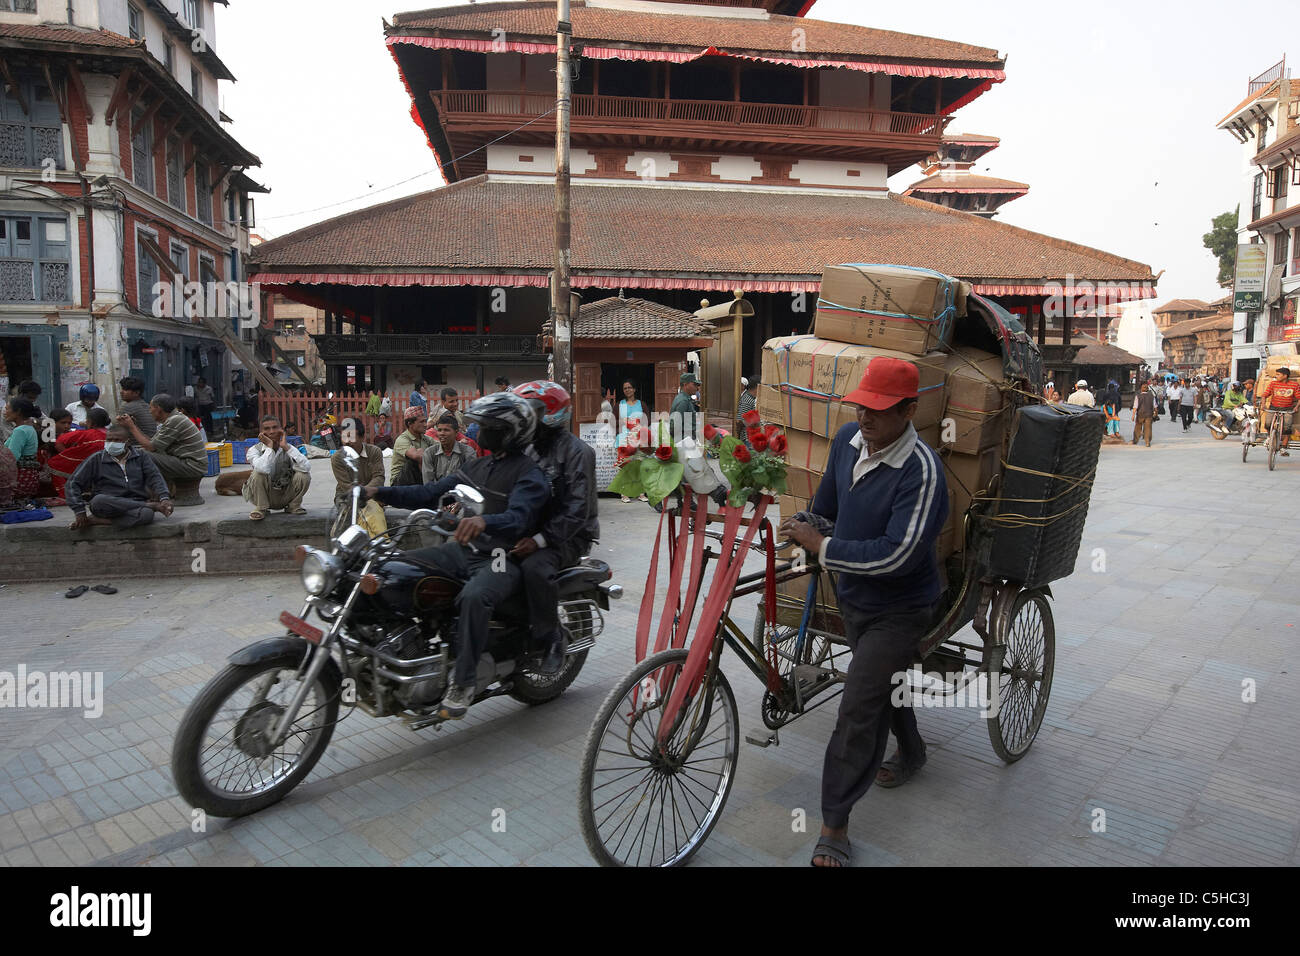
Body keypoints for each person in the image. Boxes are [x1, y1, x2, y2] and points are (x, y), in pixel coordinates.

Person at [779, 357, 947, 868]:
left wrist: (824, 547)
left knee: (857, 705)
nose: (866, 417)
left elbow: (899, 553)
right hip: (854, 596)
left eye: (879, 409)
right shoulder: (847, 442)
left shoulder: (922, 471)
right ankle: (913, 751)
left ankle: (834, 825)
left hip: (900, 607)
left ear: (909, 410)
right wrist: (802, 524)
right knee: (878, 687)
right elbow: (826, 507)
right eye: (861, 405)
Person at [362, 391, 549, 719]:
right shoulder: (480, 465)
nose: (480, 432)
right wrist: (380, 492)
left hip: (503, 556)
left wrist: (482, 520)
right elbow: (430, 491)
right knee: (399, 567)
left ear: (509, 432)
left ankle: (462, 682)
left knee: (474, 597)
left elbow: (519, 517)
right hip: (466, 550)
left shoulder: (529, 474)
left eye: (488, 427)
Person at [510, 380, 599, 676]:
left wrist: (539, 540)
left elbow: (577, 511)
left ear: (550, 415)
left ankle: (552, 640)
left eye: (529, 413)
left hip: (568, 536)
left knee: (534, 568)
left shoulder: (578, 452)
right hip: (533, 529)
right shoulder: (528, 449)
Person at [66, 424, 173, 529]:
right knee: (98, 500)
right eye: (109, 440)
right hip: (107, 505)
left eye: (117, 440)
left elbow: (155, 477)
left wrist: (164, 498)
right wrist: (79, 510)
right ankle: (149, 506)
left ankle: (96, 521)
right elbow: (72, 483)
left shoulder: (141, 456)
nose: (112, 443)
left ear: (128, 442)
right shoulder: (96, 458)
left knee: (146, 515)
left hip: (135, 504)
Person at [115, 394, 207, 486]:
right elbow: (151, 444)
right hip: (189, 463)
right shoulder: (172, 419)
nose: (149, 411)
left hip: (192, 465)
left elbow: (151, 447)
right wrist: (134, 426)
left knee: (142, 454)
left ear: (158, 409)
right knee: (140, 451)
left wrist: (131, 427)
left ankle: (146, 489)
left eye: (150, 408)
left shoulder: (175, 420)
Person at [244, 414, 312, 519]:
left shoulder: (289, 448)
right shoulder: (253, 450)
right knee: (258, 474)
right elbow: (262, 469)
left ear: (281, 430)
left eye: (275, 427)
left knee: (304, 475)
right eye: (267, 429)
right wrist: (270, 447)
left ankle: (293, 506)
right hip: (264, 496)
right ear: (261, 433)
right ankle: (261, 508)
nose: (271, 432)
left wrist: (286, 447)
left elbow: (306, 467)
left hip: (286, 494)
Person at [48, 407, 110, 497]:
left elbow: (59, 442)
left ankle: (64, 494)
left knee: (53, 463)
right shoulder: (111, 433)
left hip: (89, 463)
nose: (66, 426)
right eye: (63, 423)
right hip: (106, 464)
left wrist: (66, 454)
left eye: (69, 423)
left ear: (90, 421)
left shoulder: (84, 433)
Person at [616, 379, 649, 504]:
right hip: (624, 439)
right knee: (624, 467)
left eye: (630, 387)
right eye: (625, 388)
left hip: (639, 439)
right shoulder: (620, 405)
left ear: (634, 389)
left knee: (640, 466)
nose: (627, 390)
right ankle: (624, 494)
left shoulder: (642, 404)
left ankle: (641, 493)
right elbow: (614, 421)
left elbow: (647, 420)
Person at [3, 396, 41, 500]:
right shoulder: (29, 428)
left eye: (7, 409)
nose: (5, 412)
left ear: (18, 412)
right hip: (29, 481)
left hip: (19, 483)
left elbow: (11, 459)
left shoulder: (20, 431)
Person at [422, 411, 475, 483]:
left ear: (456, 432)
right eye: (439, 430)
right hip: (436, 493)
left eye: (446, 430)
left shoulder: (467, 452)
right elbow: (428, 483)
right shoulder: (430, 453)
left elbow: (470, 480)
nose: (442, 434)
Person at [1259, 367, 1300, 456]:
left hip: (1287, 409)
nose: (1276, 376)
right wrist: (1263, 405)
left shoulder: (1294, 385)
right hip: (1273, 408)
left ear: (1285, 376)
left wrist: (1296, 407)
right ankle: (1269, 437)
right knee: (1268, 424)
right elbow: (1264, 395)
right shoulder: (1273, 383)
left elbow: (1299, 398)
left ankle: (1283, 447)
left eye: (1278, 374)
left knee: (1287, 428)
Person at [390, 405, 433, 485]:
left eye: (425, 421)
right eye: (421, 422)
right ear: (410, 424)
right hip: (399, 482)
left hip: (416, 479)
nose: (425, 425)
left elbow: (441, 447)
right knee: (414, 461)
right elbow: (417, 456)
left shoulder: (426, 438)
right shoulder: (402, 439)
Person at [670, 372, 700, 443]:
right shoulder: (683, 401)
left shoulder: (685, 398)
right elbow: (675, 426)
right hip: (684, 441)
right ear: (685, 385)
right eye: (694, 385)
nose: (697, 388)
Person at [1131, 381, 1155, 446]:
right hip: (1149, 414)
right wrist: (1156, 413)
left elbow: (1135, 406)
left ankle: (1135, 440)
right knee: (1148, 428)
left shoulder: (1138, 396)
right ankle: (1147, 442)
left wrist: (1133, 415)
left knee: (1137, 428)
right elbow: (1155, 406)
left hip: (1140, 414)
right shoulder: (1151, 395)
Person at [737, 376, 759, 443]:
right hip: (747, 438)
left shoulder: (751, 398)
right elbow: (739, 421)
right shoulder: (747, 400)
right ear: (757, 387)